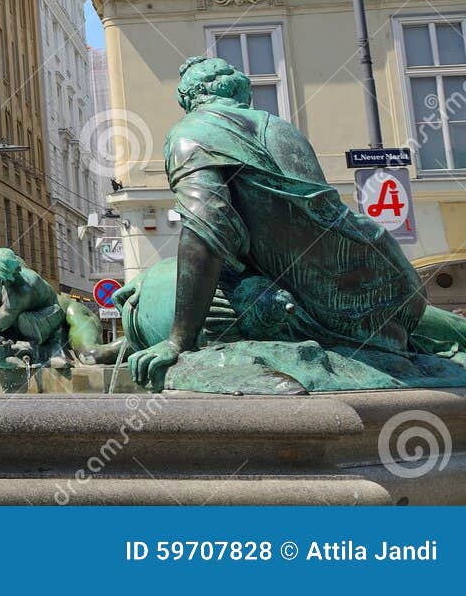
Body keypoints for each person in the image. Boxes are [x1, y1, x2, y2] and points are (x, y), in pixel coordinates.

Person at [124, 55, 466, 390]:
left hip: (318, 303)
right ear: (241, 92)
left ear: (188, 100)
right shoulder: (280, 128)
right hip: (385, 278)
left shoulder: (190, 133)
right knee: (431, 337)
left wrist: (178, 341)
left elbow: (205, 228)